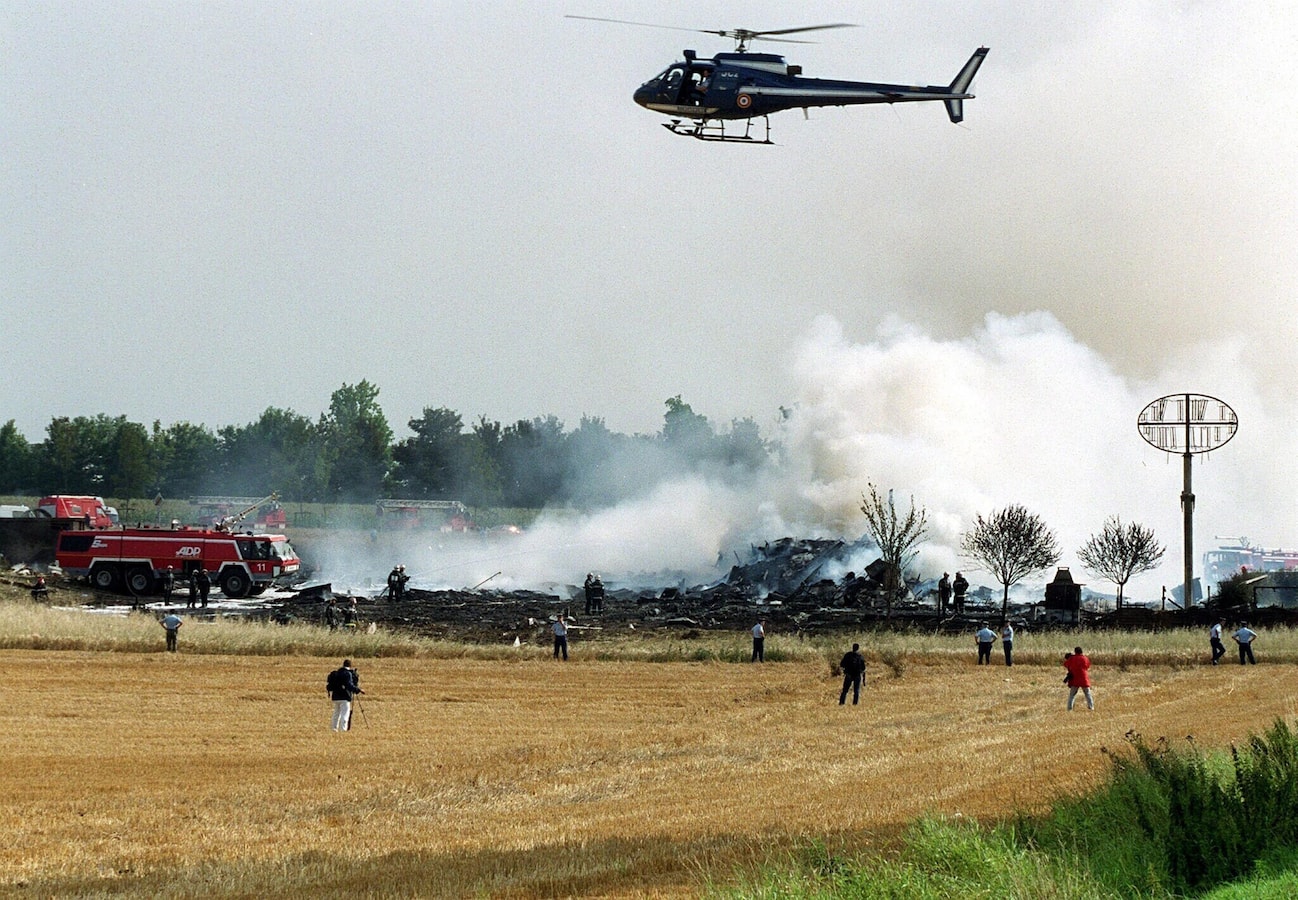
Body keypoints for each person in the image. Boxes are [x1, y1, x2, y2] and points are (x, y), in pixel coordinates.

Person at [326, 659, 362, 731]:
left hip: (335, 697)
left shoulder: (337, 673)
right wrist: (358, 690)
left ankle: (334, 728)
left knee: (336, 713)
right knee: (344, 714)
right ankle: (343, 729)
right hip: (345, 697)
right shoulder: (347, 674)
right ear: (350, 665)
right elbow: (349, 685)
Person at [1064, 646, 1094, 710]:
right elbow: (1088, 666)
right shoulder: (1085, 658)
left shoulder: (1072, 658)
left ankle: (1069, 708)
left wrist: (1070, 658)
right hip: (1084, 678)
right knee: (1088, 694)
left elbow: (1066, 664)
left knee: (1072, 695)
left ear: (1075, 652)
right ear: (1081, 651)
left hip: (1075, 679)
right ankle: (1091, 707)